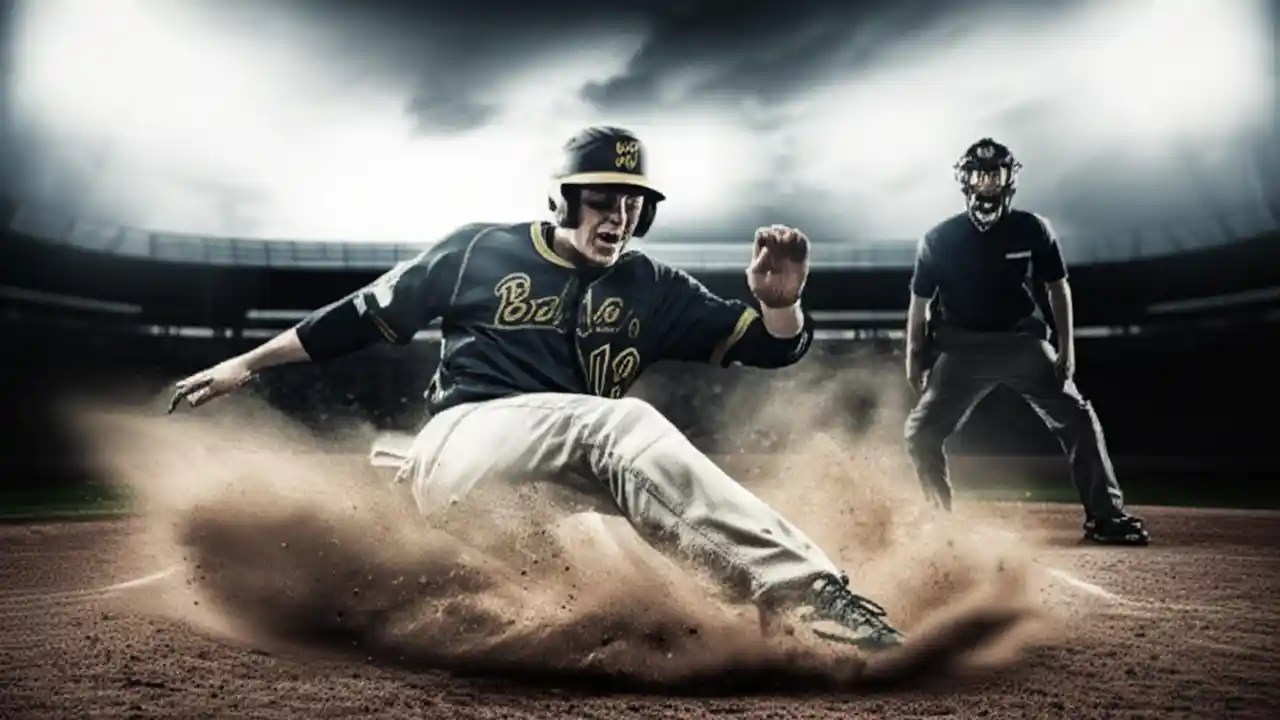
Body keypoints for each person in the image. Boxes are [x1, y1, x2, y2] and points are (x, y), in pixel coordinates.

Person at [169, 126, 906, 651]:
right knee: (620, 423)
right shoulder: (480, 249)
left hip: (549, 504)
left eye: (633, 204)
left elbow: (772, 349)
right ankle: (811, 594)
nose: (618, 217)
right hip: (467, 444)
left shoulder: (652, 286)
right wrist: (246, 365)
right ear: (563, 198)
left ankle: (783, 635)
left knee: (647, 606)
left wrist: (782, 303)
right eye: (603, 199)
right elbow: (361, 314)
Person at [903, 137, 1149, 546]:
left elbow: (1058, 287)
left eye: (994, 174)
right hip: (962, 348)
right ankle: (940, 526)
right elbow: (919, 304)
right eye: (979, 174)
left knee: (1078, 417)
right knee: (920, 434)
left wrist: (1067, 347)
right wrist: (914, 357)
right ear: (965, 179)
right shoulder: (938, 238)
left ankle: (1106, 517)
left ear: (1009, 178)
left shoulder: (1032, 228)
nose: (987, 183)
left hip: (1022, 343)